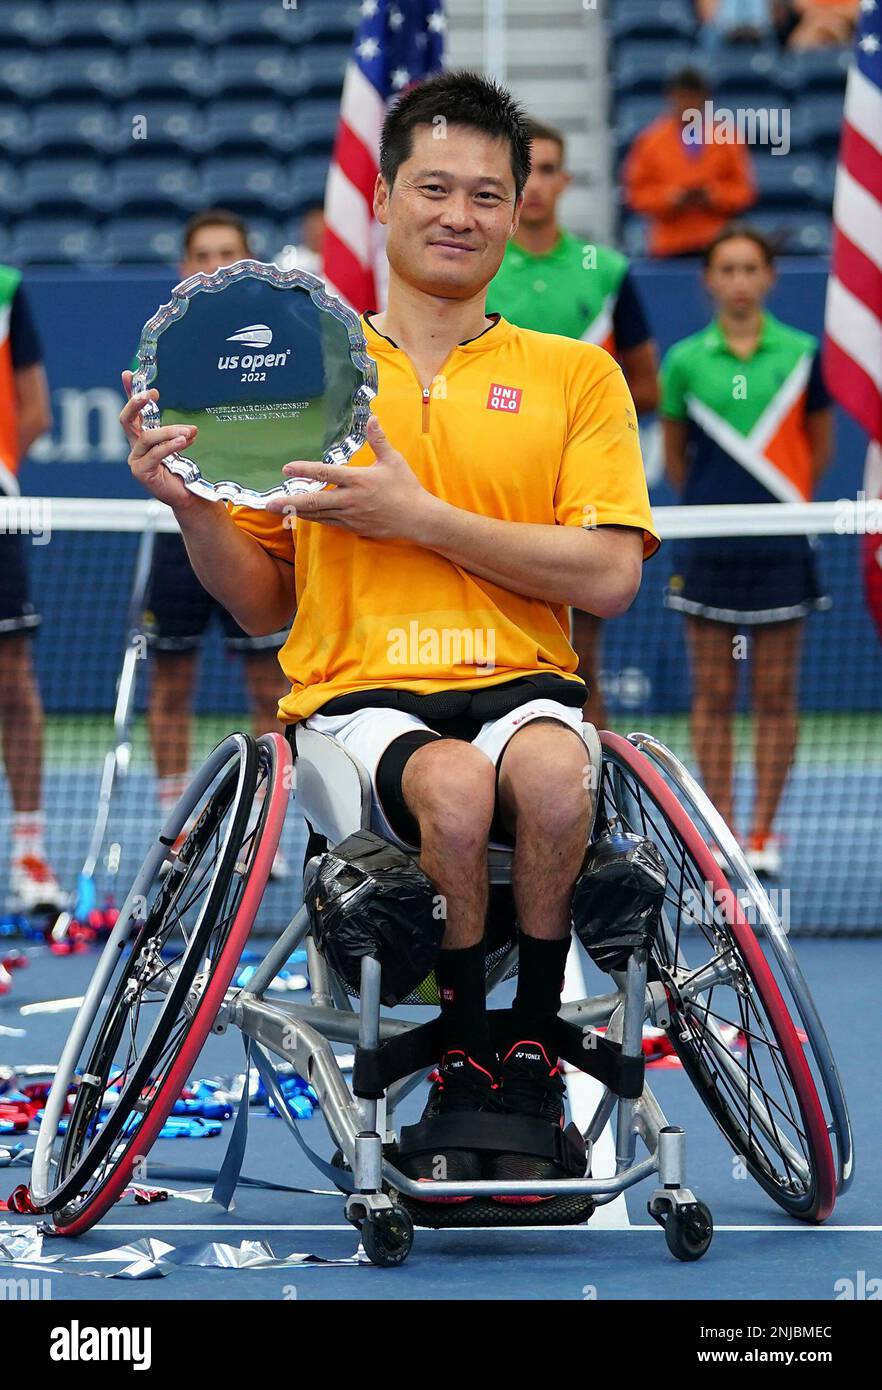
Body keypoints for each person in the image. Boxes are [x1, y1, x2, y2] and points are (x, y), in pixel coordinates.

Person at [121, 71, 659, 1197]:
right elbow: (263, 605)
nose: (458, 214)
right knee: (456, 791)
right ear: (380, 197)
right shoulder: (299, 376)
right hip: (357, 699)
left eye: (486, 194)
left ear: (517, 213)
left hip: (525, 683)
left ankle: (521, 1053)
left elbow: (609, 575)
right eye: (433, 187)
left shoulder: (577, 376)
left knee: (562, 780)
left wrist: (419, 520)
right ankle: (466, 1049)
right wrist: (189, 506)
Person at [660, 225, 833, 876]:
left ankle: (763, 834)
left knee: (776, 693)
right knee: (711, 693)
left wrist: (779, 507)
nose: (737, 281)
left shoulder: (803, 354)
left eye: (749, 268)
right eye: (726, 269)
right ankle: (724, 831)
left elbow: (820, 446)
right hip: (708, 547)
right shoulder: (684, 360)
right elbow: (677, 458)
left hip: (783, 545)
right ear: (708, 281)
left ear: (769, 279)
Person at [487, 118, 659, 729]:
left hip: (578, 492)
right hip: (494, 488)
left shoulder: (605, 270)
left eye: (550, 169)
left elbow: (645, 383)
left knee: (580, 665)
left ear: (566, 181)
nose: (536, 184)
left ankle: (592, 803)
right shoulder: (473, 267)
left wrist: (575, 428)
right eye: (525, 170)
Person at [138, 209, 291, 867]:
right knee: (170, 682)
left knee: (269, 686)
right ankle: (177, 820)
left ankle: (261, 818)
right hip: (183, 531)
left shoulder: (284, 341)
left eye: (227, 253)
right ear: (184, 266)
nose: (214, 265)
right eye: (202, 254)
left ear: (249, 262)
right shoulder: (161, 345)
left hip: (256, 530)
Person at [0, 263, 65, 914]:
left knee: (12, 681)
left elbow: (36, 410)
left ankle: (29, 850)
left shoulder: (5, 290)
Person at [624, 68, 756, 259]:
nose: (687, 104)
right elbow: (636, 194)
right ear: (670, 98)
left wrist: (713, 195)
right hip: (669, 244)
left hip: (716, 242)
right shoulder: (650, 141)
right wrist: (670, 198)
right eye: (682, 97)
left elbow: (743, 190)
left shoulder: (728, 138)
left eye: (693, 98)